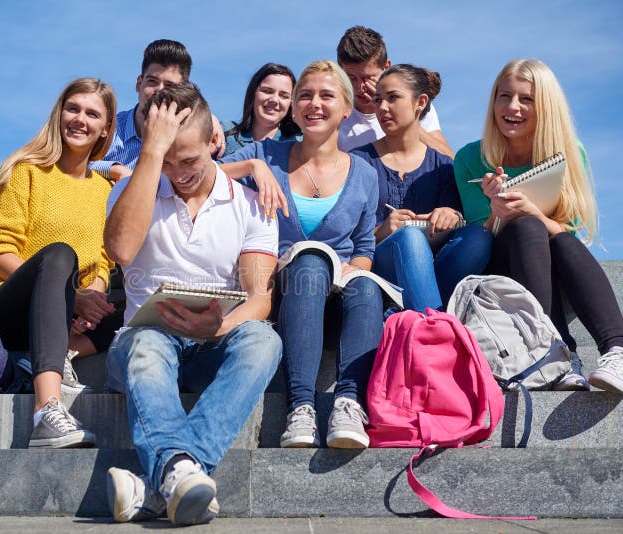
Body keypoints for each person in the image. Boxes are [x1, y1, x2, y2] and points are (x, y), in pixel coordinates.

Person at [103, 83, 281, 526]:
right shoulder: (136, 187)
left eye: (189, 161)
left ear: (214, 144)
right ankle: (180, 472)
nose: (177, 173)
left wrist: (217, 329)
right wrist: (152, 153)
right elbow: (121, 250)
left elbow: (259, 298)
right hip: (145, 342)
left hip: (210, 343)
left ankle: (167, 476)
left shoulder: (252, 203)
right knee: (146, 343)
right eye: (166, 161)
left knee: (264, 341)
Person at [222, 60, 384, 449]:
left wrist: (352, 269)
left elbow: (364, 247)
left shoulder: (364, 173)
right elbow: (195, 177)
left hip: (338, 296)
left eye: (326, 95)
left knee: (366, 286)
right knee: (309, 263)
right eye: (305, 96)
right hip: (281, 288)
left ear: (346, 108)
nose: (314, 104)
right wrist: (252, 164)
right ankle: (302, 408)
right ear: (294, 109)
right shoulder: (267, 153)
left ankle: (348, 402)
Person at [454, 58, 623, 393]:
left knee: (547, 233)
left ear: (544, 105)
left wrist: (533, 211)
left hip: (554, 265)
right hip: (499, 272)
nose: (512, 107)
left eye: (526, 99)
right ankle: (558, 353)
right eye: (504, 96)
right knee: (527, 226)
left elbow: (570, 231)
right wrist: (495, 210)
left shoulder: (572, 152)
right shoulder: (470, 158)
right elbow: (478, 238)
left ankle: (616, 349)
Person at [0, 78, 120, 448]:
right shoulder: (26, 171)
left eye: (92, 113)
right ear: (59, 113)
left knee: (141, 284)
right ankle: (46, 410)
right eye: (73, 109)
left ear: (105, 127)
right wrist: (74, 295)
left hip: (65, 313)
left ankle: (64, 348)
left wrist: (92, 297)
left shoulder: (105, 192)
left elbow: (103, 259)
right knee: (59, 254)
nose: (80, 119)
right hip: (4, 313)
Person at [353, 64, 492, 311]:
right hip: (381, 269)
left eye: (393, 98)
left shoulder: (443, 166)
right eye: (378, 100)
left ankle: (419, 312)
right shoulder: (357, 163)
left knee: (478, 238)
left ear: (421, 102)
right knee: (409, 237)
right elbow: (344, 235)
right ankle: (433, 329)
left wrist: (451, 215)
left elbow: (461, 222)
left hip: (437, 265)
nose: (382, 108)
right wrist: (381, 231)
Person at [90, 39, 225, 181]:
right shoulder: (111, 129)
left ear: (183, 90)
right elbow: (76, 161)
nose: (159, 91)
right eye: (152, 81)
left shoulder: (194, 134)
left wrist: (207, 118)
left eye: (169, 85)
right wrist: (114, 169)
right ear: (139, 83)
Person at [336, 25, 453, 157]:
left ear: (386, 67)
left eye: (368, 78)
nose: (359, 87)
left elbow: (450, 160)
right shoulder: (334, 112)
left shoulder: (413, 104)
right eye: (351, 78)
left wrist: (407, 121)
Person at [222, 63, 301, 157]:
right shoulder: (225, 132)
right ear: (253, 92)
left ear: (291, 103)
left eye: (284, 96)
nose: (274, 100)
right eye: (267, 91)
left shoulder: (299, 143)